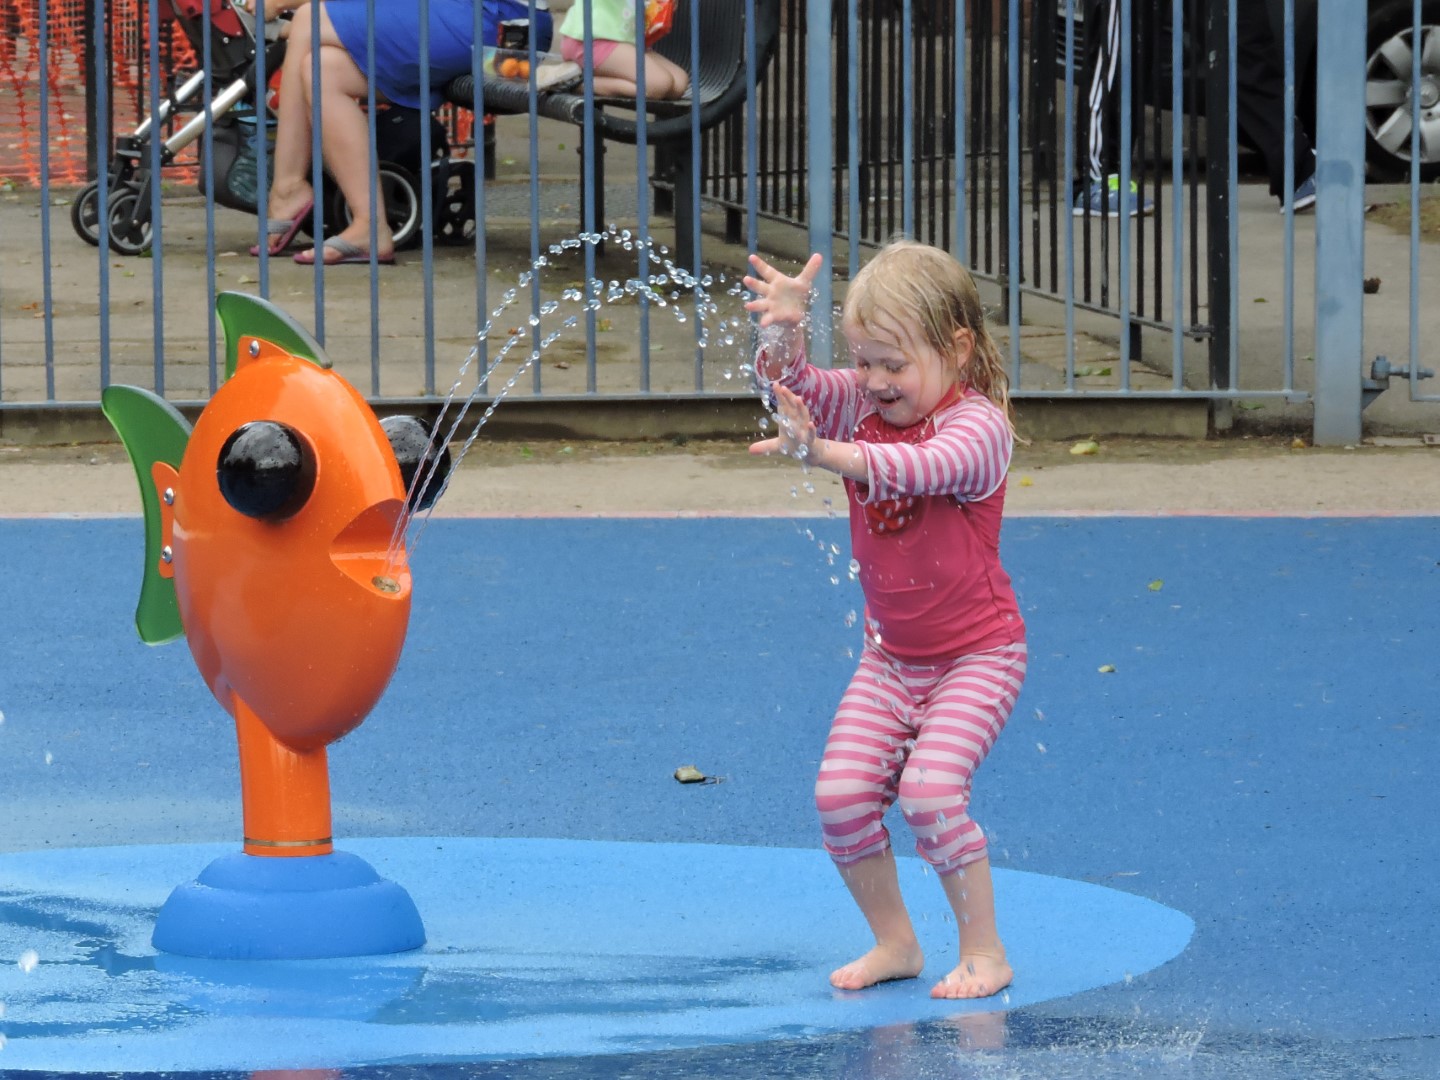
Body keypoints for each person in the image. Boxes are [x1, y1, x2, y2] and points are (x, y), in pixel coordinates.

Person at [744, 240, 1028, 1000]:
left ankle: (986, 952)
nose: (872, 382)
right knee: (839, 798)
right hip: (892, 659)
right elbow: (790, 387)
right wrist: (783, 333)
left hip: (979, 655)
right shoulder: (865, 404)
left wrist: (821, 453)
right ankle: (896, 942)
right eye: (863, 361)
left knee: (931, 793)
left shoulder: (978, 429)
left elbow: (915, 469)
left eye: (892, 365)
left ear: (958, 349)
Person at [557, 0, 689, 99]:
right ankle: (578, 85)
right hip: (591, 40)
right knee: (659, 84)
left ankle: (592, 77)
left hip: (623, 40)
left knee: (679, 83)